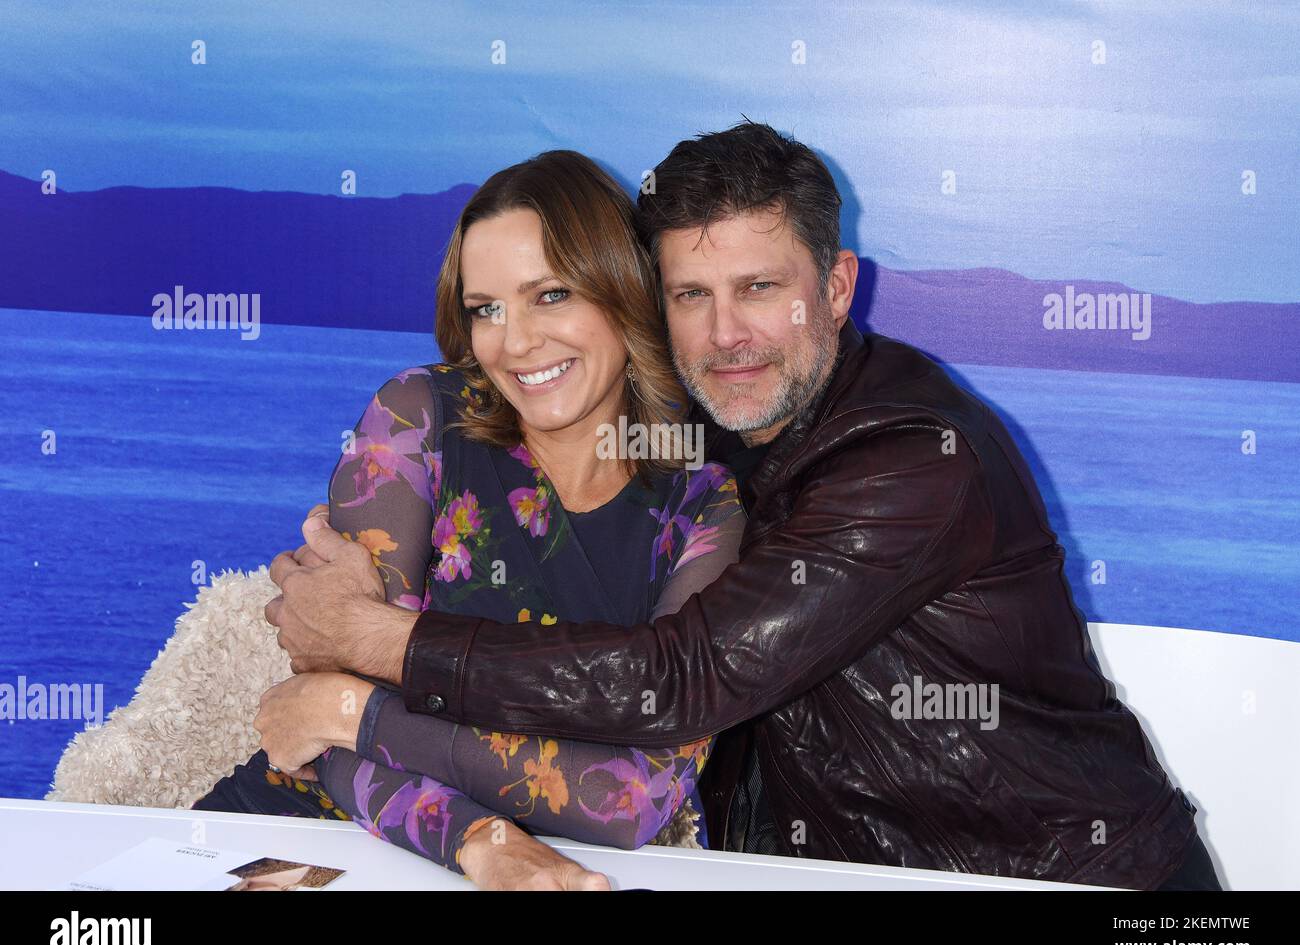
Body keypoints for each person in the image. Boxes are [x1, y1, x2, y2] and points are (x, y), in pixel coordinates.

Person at [264, 121, 1221, 890]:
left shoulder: (911, 457)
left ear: (837, 288)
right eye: (691, 294)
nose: (727, 335)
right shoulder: (703, 438)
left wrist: (371, 646)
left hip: (1071, 878)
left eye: (760, 288)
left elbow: (679, 681)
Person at [193, 149, 746, 889]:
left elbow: (630, 796)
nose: (513, 342)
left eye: (550, 295)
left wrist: (354, 711)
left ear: (624, 289)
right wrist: (480, 838)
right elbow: (313, 732)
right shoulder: (416, 420)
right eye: (486, 308)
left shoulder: (702, 507)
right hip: (303, 844)